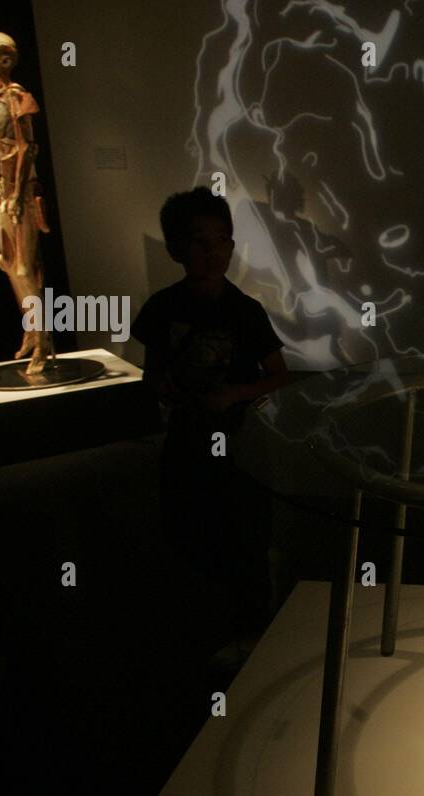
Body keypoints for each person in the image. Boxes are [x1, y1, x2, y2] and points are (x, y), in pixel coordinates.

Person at [132, 187, 289, 646]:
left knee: (242, 533)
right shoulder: (162, 308)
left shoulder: (245, 311)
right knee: (188, 531)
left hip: (239, 444)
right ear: (177, 249)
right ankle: (200, 629)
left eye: (222, 240)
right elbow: (153, 371)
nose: (214, 252)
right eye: (200, 242)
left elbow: (278, 375)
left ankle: (251, 632)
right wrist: (164, 390)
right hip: (185, 440)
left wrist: (234, 394)